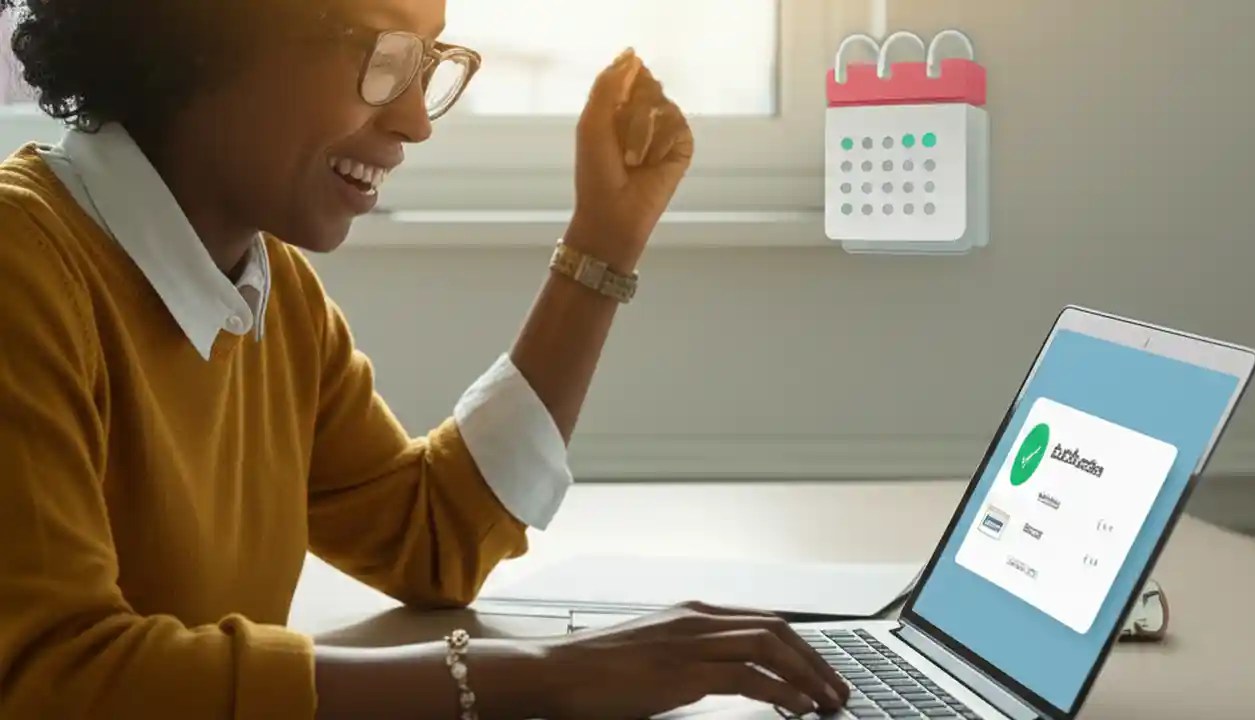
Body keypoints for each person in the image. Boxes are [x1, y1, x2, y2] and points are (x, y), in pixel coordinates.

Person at [0, 0, 851, 718]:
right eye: (382, 58)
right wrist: (544, 674)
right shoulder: (22, 266)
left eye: (430, 64)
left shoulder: (270, 293)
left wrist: (605, 238)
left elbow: (429, 538)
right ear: (217, 28)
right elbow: (54, 676)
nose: (413, 120)